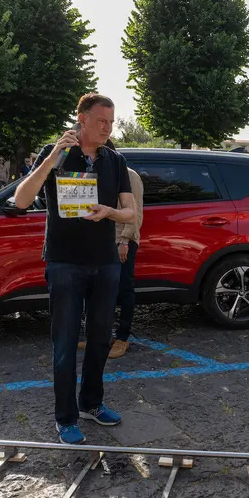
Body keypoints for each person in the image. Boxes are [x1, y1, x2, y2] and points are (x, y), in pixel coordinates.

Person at [15, 93, 136, 445]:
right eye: (101, 121)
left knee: (100, 339)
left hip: (105, 262)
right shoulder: (56, 154)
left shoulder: (114, 159)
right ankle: (65, 417)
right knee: (65, 343)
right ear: (81, 120)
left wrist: (109, 212)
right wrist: (53, 156)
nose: (108, 128)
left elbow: (130, 212)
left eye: (111, 122)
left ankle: (91, 404)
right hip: (65, 261)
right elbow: (22, 200)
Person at [111, 143, 144, 358]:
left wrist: (125, 240)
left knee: (125, 289)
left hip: (122, 241)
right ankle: (105, 335)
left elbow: (136, 211)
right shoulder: (106, 173)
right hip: (104, 241)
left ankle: (123, 338)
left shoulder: (129, 175)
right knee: (105, 291)